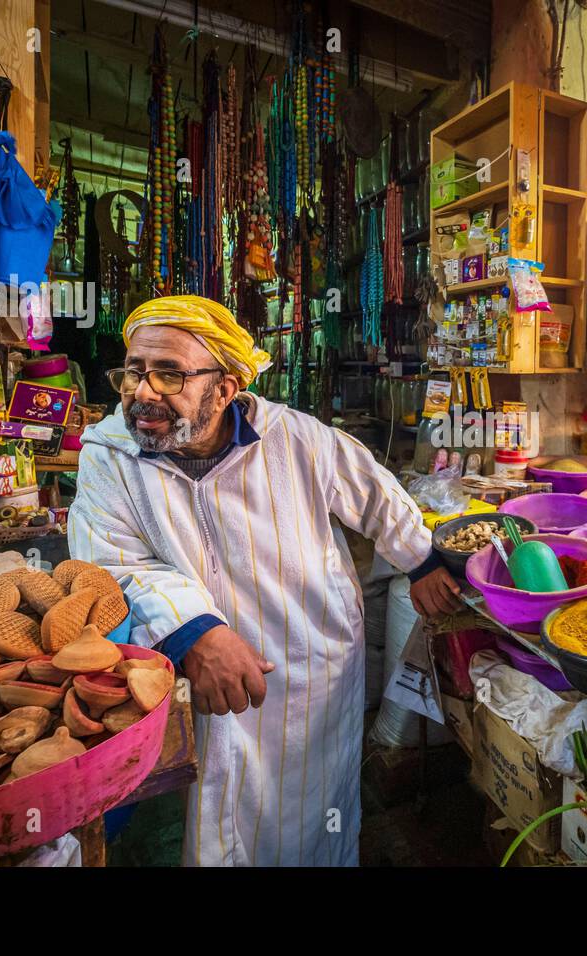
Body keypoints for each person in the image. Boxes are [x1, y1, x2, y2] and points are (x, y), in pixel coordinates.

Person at [67, 295, 460, 866]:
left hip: (311, 663)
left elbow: (375, 494)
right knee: (217, 809)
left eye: (169, 374)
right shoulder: (110, 454)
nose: (144, 392)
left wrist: (420, 560)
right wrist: (197, 633)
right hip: (210, 669)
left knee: (314, 814)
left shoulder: (297, 440)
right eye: (134, 371)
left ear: (224, 389)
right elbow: (111, 560)